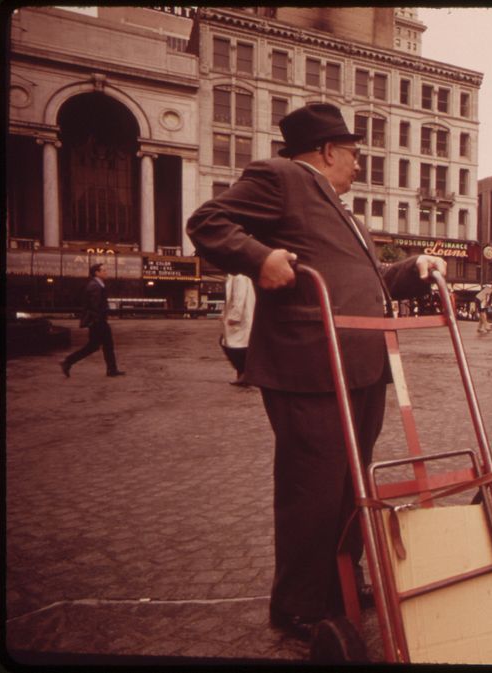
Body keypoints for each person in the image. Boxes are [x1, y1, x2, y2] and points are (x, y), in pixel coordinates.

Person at [186, 103, 447, 643]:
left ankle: (341, 581)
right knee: (312, 487)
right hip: (310, 363)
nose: (358, 165)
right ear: (328, 151)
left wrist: (414, 270)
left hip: (360, 364)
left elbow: (370, 279)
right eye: (353, 154)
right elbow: (207, 222)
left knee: (352, 482)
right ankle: (299, 602)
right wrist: (257, 258)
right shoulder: (280, 177)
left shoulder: (343, 209)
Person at [60, 263, 125, 378]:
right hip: (98, 321)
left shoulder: (97, 284)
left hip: (97, 320)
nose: (106, 272)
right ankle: (68, 362)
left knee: (97, 346)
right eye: (104, 270)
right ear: (97, 273)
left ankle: (68, 362)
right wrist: (99, 320)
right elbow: (95, 306)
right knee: (99, 345)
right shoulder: (95, 286)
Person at [220, 273, 256, 385]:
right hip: (243, 316)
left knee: (232, 345)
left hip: (241, 317)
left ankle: (245, 373)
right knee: (240, 344)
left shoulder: (239, 276)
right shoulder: (240, 275)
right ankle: (243, 374)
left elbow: (239, 297)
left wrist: (235, 315)